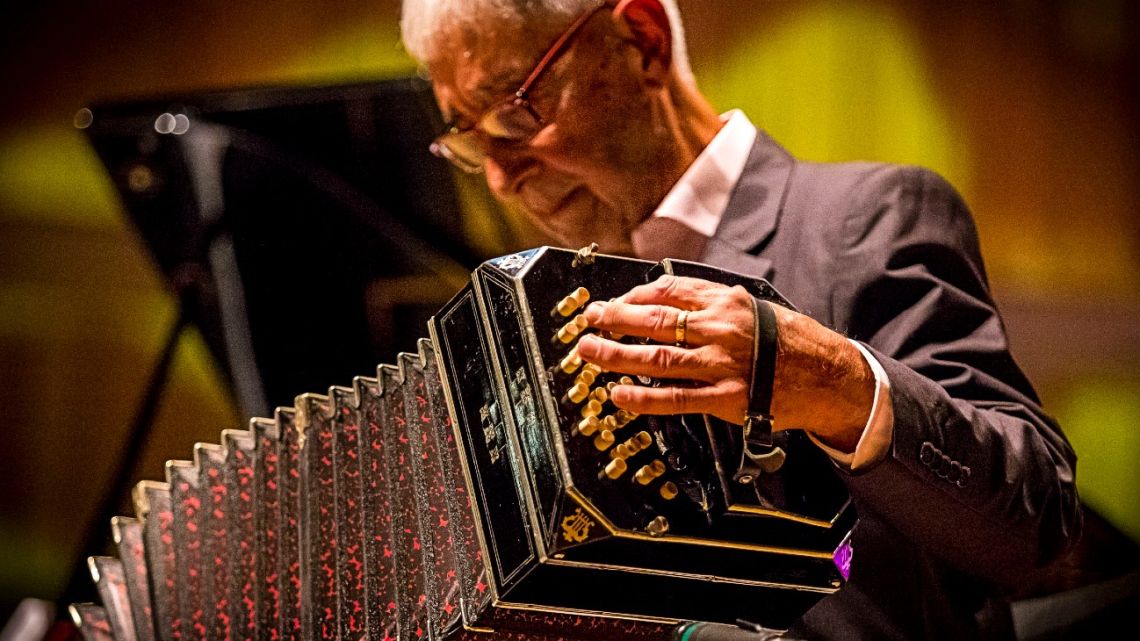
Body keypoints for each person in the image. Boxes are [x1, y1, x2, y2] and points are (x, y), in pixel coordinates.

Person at [399, 0, 1082, 638]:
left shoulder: (863, 218)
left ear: (642, 40)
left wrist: (833, 380)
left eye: (514, 110)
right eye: (468, 136)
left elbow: (1044, 535)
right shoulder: (537, 321)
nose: (498, 174)